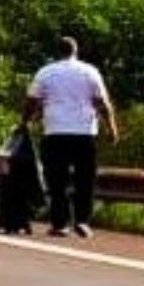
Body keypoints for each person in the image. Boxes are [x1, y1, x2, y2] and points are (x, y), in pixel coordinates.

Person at [24, 35, 119, 239]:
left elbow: (31, 101)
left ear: (57, 52)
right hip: (84, 133)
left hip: (55, 132)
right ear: (75, 51)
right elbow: (102, 102)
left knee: (56, 179)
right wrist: (111, 128)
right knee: (85, 178)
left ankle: (60, 224)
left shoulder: (46, 72)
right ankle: (83, 222)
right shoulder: (89, 71)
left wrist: (25, 122)